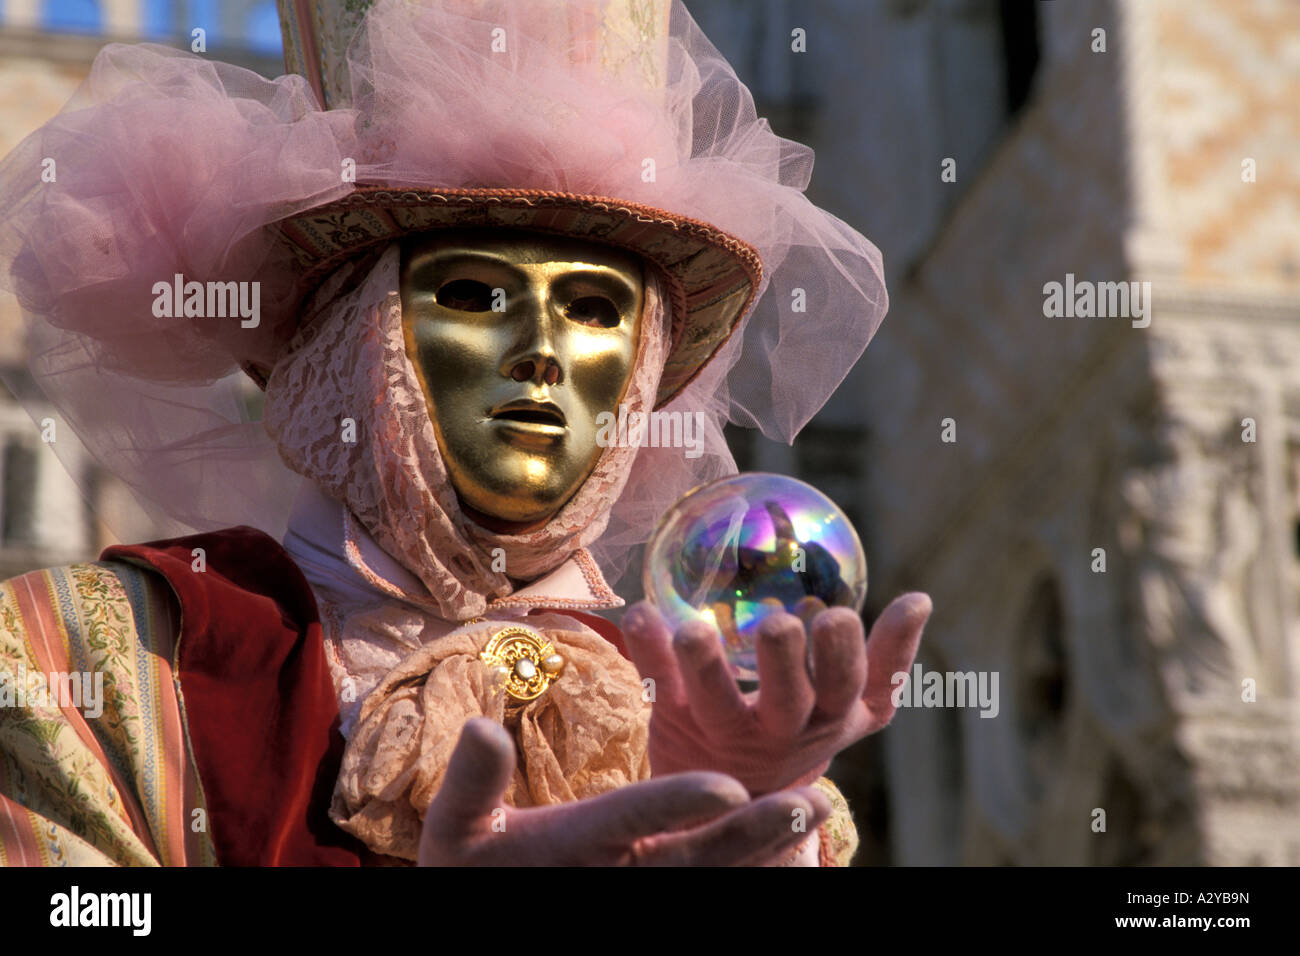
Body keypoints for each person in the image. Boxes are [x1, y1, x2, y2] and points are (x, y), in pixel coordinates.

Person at [0, 0, 929, 866]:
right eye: (473, 294)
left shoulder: (710, 739)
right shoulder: (86, 658)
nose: (542, 355)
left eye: (595, 307)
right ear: (344, 347)